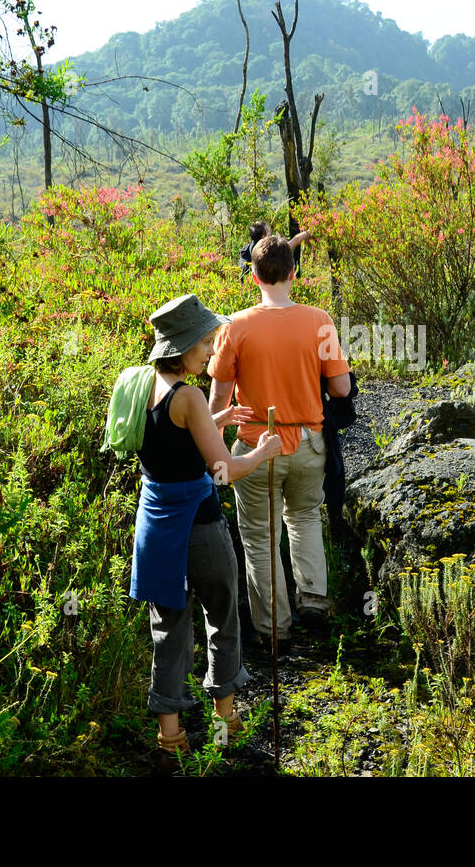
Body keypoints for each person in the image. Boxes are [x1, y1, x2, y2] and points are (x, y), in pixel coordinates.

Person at [129, 293, 282, 760]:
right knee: (221, 612)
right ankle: (226, 716)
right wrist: (261, 452)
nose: (212, 351)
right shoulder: (191, 395)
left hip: (155, 525)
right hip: (199, 525)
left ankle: (170, 735)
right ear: (183, 346)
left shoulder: (140, 385)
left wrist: (212, 420)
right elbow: (224, 472)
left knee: (168, 625)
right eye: (205, 344)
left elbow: (167, 437)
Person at [209, 235, 350, 649]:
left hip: (256, 447)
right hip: (309, 444)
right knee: (305, 518)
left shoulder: (234, 326)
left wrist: (215, 451)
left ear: (254, 276)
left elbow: (218, 398)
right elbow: (340, 387)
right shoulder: (319, 319)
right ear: (294, 273)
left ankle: (274, 630)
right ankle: (313, 599)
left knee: (259, 537)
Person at [239, 219, 311, 280]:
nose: (271, 233)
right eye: (269, 231)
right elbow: (295, 241)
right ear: (264, 236)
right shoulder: (267, 250)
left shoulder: (247, 249)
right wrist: (309, 232)